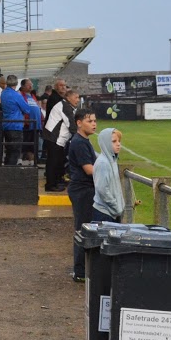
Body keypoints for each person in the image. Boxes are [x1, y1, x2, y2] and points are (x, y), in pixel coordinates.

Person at [66, 108, 102, 282]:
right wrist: (107, 172)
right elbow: (89, 169)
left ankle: (82, 269)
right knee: (83, 229)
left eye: (95, 121)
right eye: (90, 121)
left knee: (85, 227)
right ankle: (79, 271)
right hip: (82, 190)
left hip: (85, 189)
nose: (94, 124)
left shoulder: (84, 140)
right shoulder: (79, 142)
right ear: (79, 123)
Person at [43, 88, 78, 191]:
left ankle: (57, 181)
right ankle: (50, 185)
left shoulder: (66, 105)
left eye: (78, 97)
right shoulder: (65, 106)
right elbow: (71, 125)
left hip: (56, 138)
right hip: (54, 138)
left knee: (58, 161)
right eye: (76, 97)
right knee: (53, 162)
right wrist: (80, 138)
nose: (78, 100)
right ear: (68, 97)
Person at [92, 126, 126, 223]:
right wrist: (116, 207)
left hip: (111, 213)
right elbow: (102, 189)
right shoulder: (103, 163)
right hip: (104, 214)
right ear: (105, 143)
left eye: (119, 141)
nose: (118, 144)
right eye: (114, 141)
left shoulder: (112, 160)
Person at [0, 75, 28, 165]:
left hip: (6, 125)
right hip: (16, 126)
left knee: (9, 150)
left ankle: (6, 171)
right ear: (16, 83)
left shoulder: (3, 93)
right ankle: (11, 172)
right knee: (15, 151)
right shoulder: (16, 95)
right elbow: (27, 109)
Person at [19, 79, 43, 166]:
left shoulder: (33, 96)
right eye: (29, 85)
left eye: (31, 84)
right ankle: (20, 160)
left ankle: (32, 161)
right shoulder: (20, 95)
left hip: (36, 125)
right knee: (24, 143)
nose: (31, 86)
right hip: (27, 124)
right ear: (23, 86)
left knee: (34, 145)